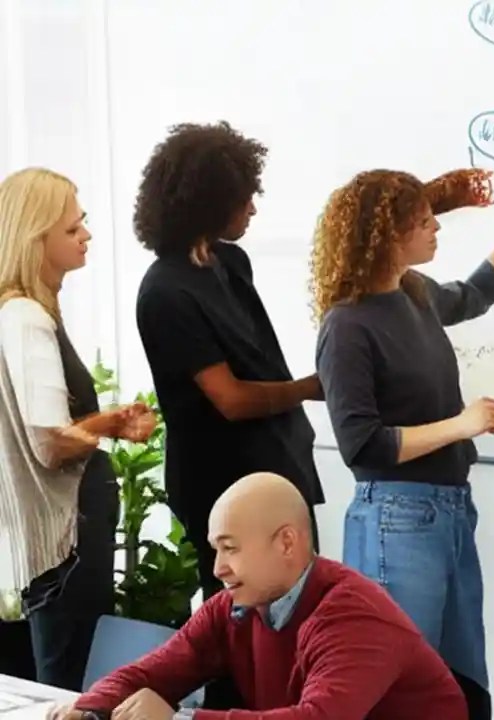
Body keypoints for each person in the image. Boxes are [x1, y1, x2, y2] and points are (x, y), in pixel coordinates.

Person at [311, 163, 494, 698]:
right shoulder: (346, 325)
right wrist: (459, 425)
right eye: (424, 221)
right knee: (401, 686)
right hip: (395, 518)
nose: (436, 228)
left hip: (449, 510)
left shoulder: (414, 292)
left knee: (461, 683)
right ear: (387, 236)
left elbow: (476, 293)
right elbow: (362, 444)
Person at [45, 472, 468, 720]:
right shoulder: (233, 607)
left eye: (230, 548)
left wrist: (183, 719)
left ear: (287, 543)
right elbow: (149, 674)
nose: (217, 568)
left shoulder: (355, 618)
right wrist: (89, 709)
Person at [132, 121, 325, 608]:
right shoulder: (164, 292)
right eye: (244, 197)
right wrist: (305, 388)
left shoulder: (230, 264)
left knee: (300, 610)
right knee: (242, 622)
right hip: (222, 482)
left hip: (278, 465)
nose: (253, 207)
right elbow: (231, 399)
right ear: (212, 202)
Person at [0, 167, 155, 690]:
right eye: (71, 228)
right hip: (64, 538)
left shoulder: (23, 314)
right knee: (65, 681)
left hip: (58, 538)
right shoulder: (25, 318)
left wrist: (107, 422)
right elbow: (47, 441)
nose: (85, 234)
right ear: (33, 238)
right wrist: (103, 427)